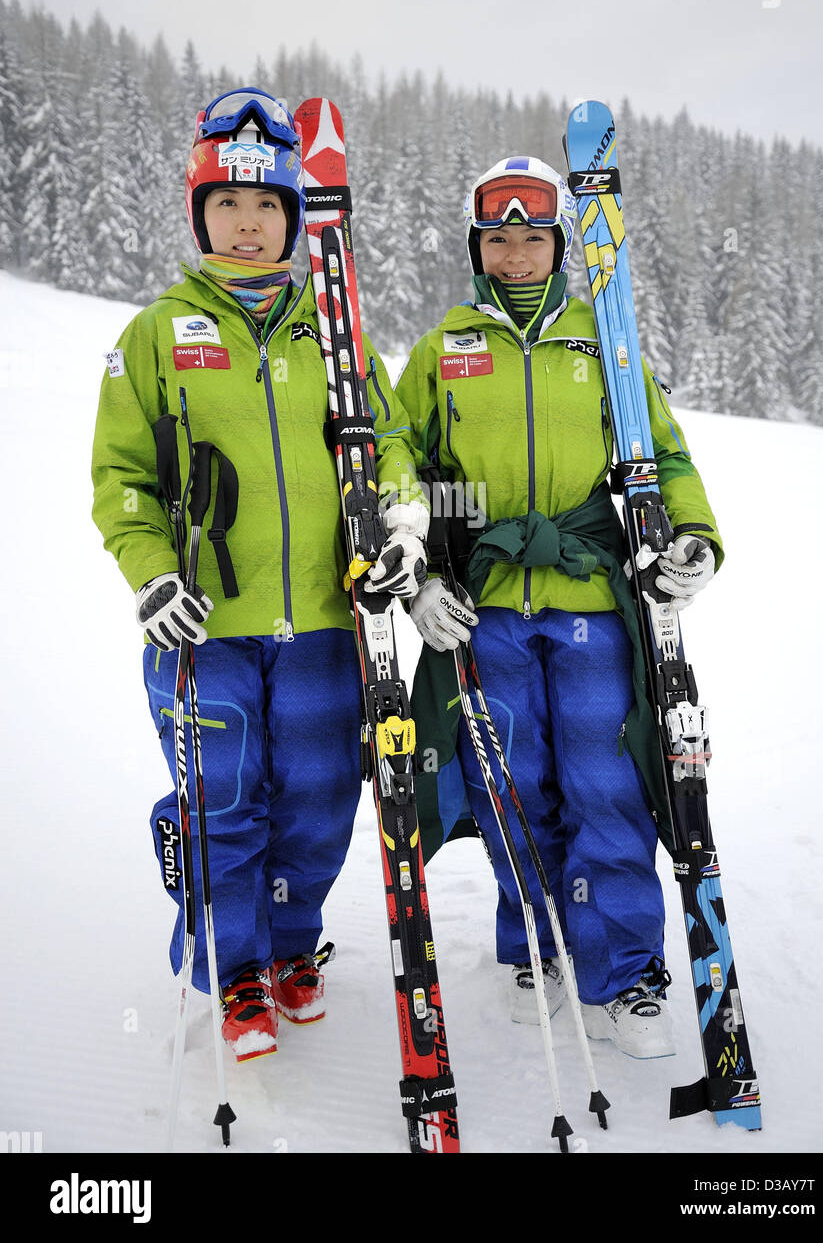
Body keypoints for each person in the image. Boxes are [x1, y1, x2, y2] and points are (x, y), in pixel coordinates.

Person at [91, 88, 427, 1063]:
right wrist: (151, 574)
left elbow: (390, 443)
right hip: (207, 624)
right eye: (228, 207)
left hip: (328, 620)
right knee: (225, 797)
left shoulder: (335, 330)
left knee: (321, 797)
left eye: (267, 207)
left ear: (292, 215)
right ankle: (233, 966)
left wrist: (401, 524)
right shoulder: (157, 333)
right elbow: (119, 478)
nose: (248, 224)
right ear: (201, 215)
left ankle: (289, 944)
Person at [396, 156, 721, 1058]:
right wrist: (420, 572)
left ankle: (621, 970)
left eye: (530, 237)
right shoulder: (440, 351)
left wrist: (689, 532)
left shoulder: (601, 339)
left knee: (605, 784)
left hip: (588, 599)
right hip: (486, 602)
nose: (513, 252)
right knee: (512, 783)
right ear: (476, 247)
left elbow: (665, 452)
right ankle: (534, 945)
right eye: (495, 238)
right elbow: (398, 463)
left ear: (557, 246)